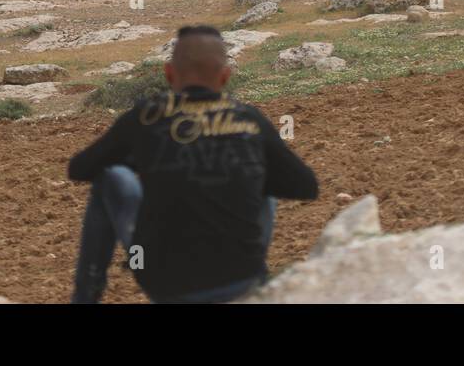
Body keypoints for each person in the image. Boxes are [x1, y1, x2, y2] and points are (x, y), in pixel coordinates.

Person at [68, 25, 318, 304]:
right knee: (264, 178)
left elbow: (79, 168)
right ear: (225, 76)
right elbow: (306, 186)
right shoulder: (248, 119)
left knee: (111, 176)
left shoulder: (146, 117)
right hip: (241, 278)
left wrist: (144, 159)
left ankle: (85, 299)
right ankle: (255, 285)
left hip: (162, 281)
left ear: (168, 73)